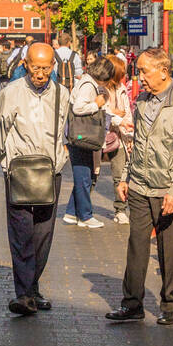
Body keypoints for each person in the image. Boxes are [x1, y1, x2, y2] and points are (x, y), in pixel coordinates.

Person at [106, 47, 173, 327]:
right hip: (139, 186)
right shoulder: (143, 100)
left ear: (163, 71)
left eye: (144, 71)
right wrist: (125, 176)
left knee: (168, 249)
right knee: (136, 245)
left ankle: (169, 305)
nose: (140, 77)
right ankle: (131, 304)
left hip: (168, 190)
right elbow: (135, 143)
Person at [0, 42, 68, 315]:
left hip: (50, 171)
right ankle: (24, 294)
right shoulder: (11, 92)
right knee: (21, 233)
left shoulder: (63, 93)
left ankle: (32, 286)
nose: (40, 73)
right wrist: (7, 166)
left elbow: (65, 129)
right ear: (25, 64)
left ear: (53, 66)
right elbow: (2, 130)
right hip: (19, 170)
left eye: (46, 67)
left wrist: (61, 158)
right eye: (35, 67)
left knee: (43, 234)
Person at [63, 55, 117, 229]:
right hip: (81, 137)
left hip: (80, 136)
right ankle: (85, 216)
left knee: (84, 176)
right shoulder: (88, 86)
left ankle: (71, 212)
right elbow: (79, 108)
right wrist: (97, 104)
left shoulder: (87, 82)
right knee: (84, 177)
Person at [102, 54, 134, 225]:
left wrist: (129, 137)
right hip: (101, 136)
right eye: (121, 72)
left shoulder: (121, 88)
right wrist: (116, 115)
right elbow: (103, 111)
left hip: (119, 136)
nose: (124, 76)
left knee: (120, 174)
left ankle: (120, 209)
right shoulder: (100, 88)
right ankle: (78, 210)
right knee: (90, 177)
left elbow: (126, 111)